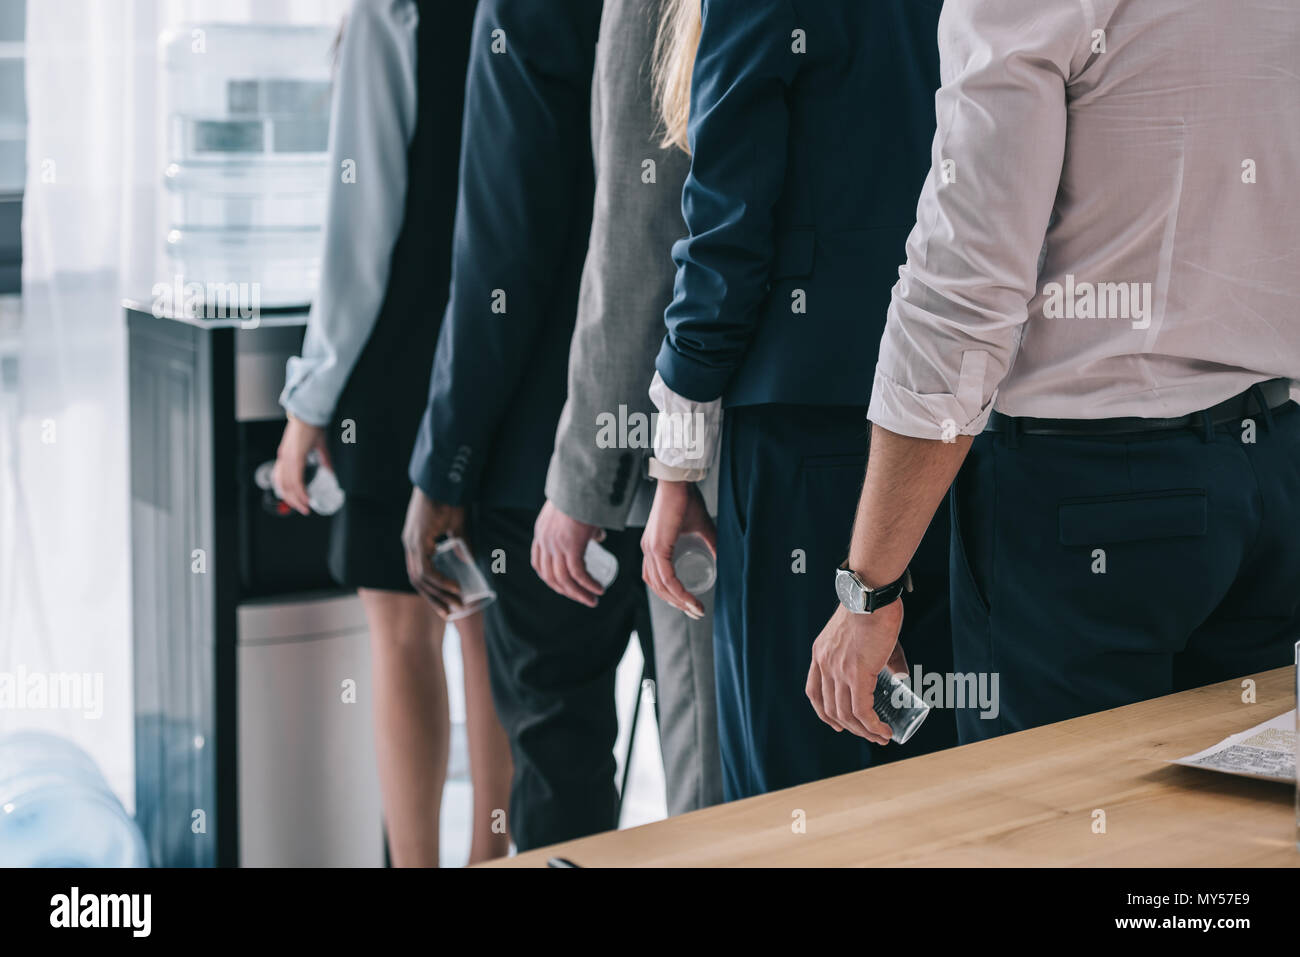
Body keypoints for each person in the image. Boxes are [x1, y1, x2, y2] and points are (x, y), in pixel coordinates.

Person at [807, 0, 1300, 745]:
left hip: (1090, 502)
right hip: (1277, 481)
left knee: (1055, 837)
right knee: (1239, 839)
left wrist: (868, 587)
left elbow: (965, 283)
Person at [642, 0, 957, 802]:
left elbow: (725, 233)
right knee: (930, 779)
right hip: (953, 422)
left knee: (796, 798)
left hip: (804, 436)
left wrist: (677, 461)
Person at [403, 0, 657, 851]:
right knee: (716, 772)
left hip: (544, 456)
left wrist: (443, 466)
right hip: (703, 441)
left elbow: (502, 248)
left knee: (556, 768)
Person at [275, 0, 511, 867]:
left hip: (399, 361)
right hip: (504, 353)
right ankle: (497, 860)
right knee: (489, 626)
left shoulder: (390, 13)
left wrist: (308, 400)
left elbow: (359, 221)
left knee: (404, 631)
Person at [533, 0, 723, 816]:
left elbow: (638, 235)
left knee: (714, 786)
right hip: (885, 432)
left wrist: (583, 481)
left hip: (712, 456)